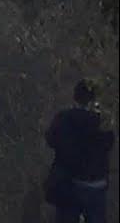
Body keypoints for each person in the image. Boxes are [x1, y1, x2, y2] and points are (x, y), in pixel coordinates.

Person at [45, 79, 114, 223]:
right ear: (93, 100)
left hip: (67, 183)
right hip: (95, 183)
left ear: (75, 97)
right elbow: (109, 143)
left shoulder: (63, 118)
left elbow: (50, 139)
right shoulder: (101, 121)